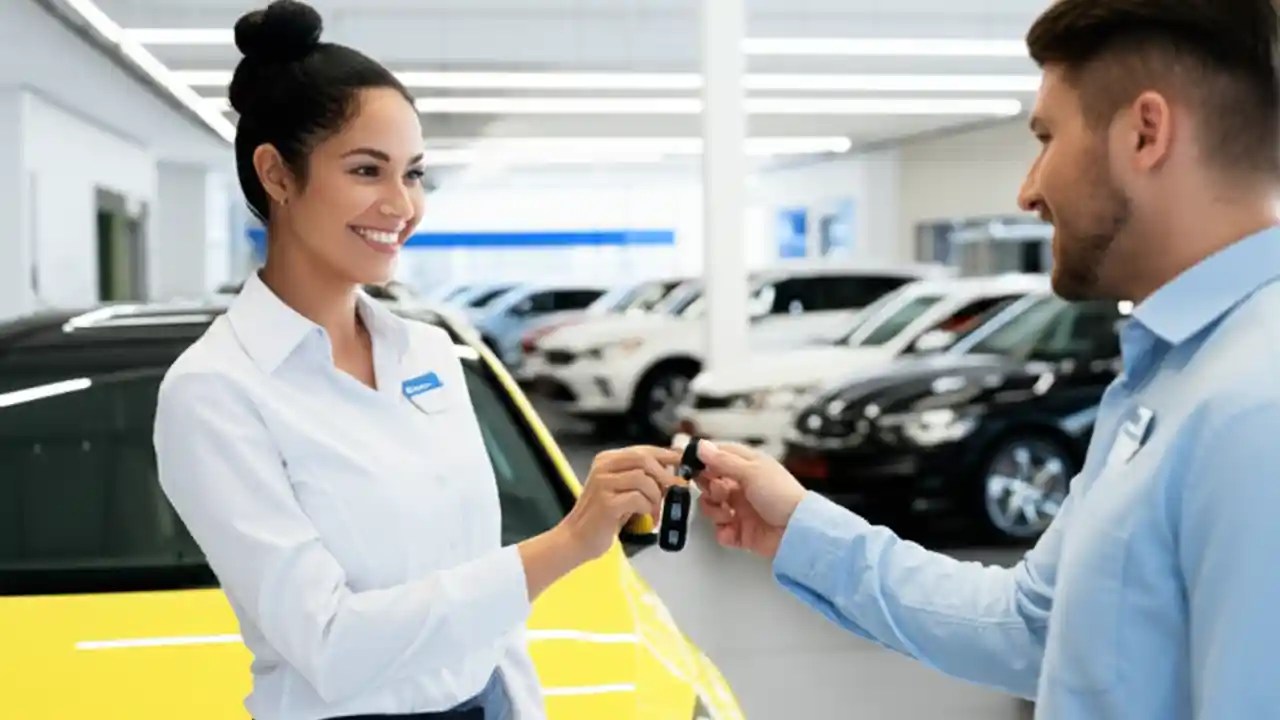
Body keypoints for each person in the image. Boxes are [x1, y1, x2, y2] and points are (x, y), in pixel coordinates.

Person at [693, 1, 1280, 718]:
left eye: (1046, 136)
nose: (1029, 190)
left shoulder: (1257, 402)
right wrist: (801, 530)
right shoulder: (1172, 373)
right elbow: (1039, 625)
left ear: (1145, 133)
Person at [151, 3, 683, 719]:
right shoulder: (215, 392)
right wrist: (568, 543)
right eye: (368, 169)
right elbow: (332, 645)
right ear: (277, 174)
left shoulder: (427, 349)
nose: (402, 205)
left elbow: (478, 582)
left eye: (415, 173)